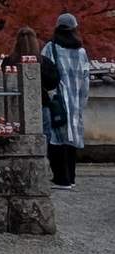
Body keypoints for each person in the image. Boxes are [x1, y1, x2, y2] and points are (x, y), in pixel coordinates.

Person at [41, 13, 90, 190]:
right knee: (72, 140)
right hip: (75, 102)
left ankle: (61, 178)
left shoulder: (50, 48)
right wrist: (82, 101)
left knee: (56, 139)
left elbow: (45, 72)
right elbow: (86, 79)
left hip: (57, 101)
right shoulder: (81, 52)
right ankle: (71, 177)